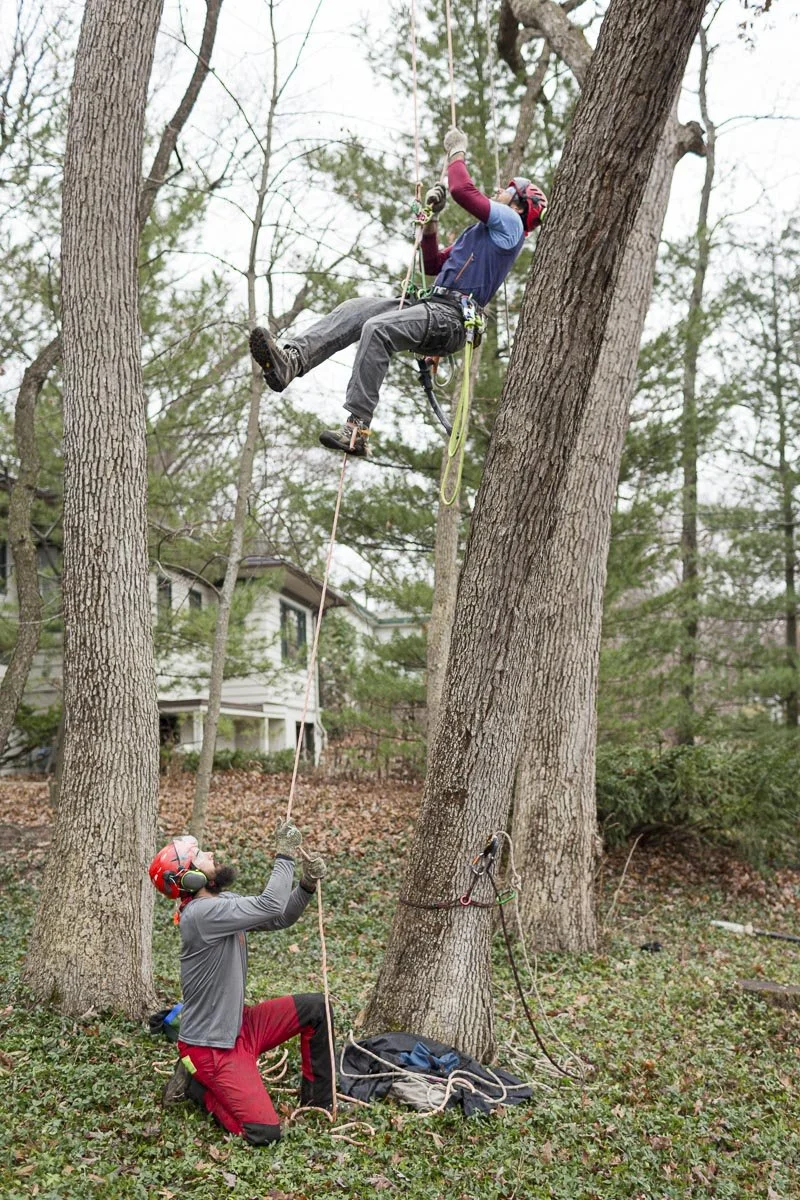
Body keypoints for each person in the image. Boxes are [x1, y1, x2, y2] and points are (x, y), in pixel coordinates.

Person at [249, 126, 547, 456]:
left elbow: (463, 190)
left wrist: (457, 151)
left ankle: (357, 428)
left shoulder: (511, 224)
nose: (498, 193)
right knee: (356, 311)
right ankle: (291, 361)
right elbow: (433, 263)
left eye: (506, 191)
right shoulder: (480, 235)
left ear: (520, 205)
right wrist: (432, 223)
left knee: (377, 329)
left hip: (450, 318)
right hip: (435, 307)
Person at [148, 821, 332, 1145]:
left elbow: (278, 916)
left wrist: (305, 884)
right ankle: (197, 1088)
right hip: (211, 1048)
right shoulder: (202, 915)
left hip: (240, 1026)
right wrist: (284, 855)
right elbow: (270, 904)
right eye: (202, 855)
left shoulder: (220, 904)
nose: (212, 854)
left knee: (317, 1009)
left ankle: (317, 1105)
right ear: (191, 877)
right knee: (264, 1133)